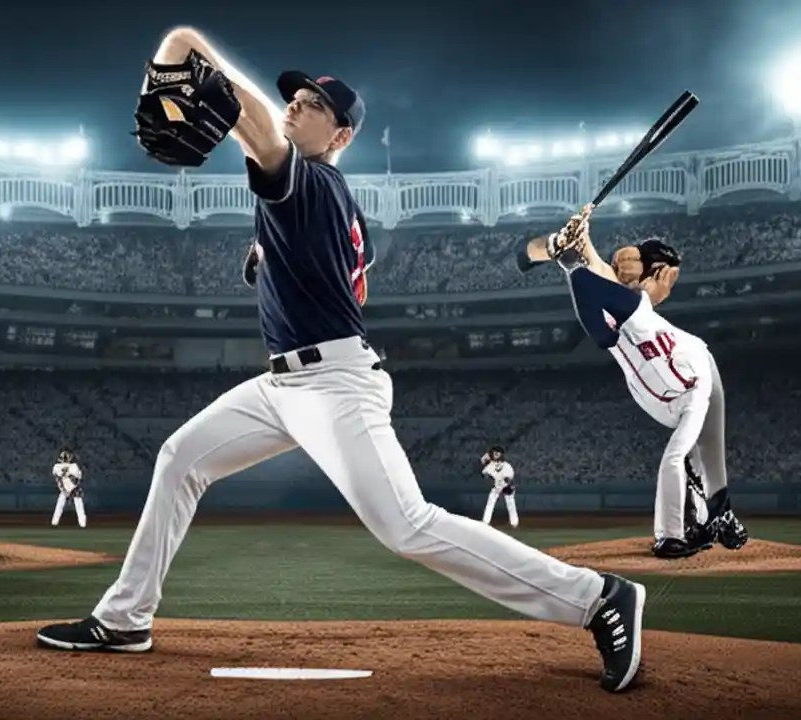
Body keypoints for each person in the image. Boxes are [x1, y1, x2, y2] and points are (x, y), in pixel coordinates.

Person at [36, 26, 647, 694]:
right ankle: (126, 618)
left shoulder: (309, 183)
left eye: (313, 104)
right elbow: (358, 274)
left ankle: (598, 597)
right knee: (180, 457)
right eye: (293, 97)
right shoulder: (330, 202)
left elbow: (255, 126)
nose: (295, 106)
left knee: (407, 526)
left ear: (341, 136)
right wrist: (273, 261)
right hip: (282, 384)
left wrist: (187, 49)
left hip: (333, 385)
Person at [546, 205, 748, 558]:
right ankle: (713, 518)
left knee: (685, 456)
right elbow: (595, 291)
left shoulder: (635, 306)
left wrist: (573, 259)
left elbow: (593, 285)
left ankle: (681, 531)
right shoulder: (627, 315)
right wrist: (577, 252)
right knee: (694, 460)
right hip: (665, 391)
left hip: (695, 381)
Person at [480, 445, 519, 527]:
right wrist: (484, 461)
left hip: (505, 485)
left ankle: (514, 522)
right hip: (496, 485)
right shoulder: (490, 465)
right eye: (494, 453)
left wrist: (509, 484)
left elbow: (509, 479)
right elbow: (484, 474)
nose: (495, 455)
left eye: (497, 453)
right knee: (491, 502)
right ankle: (485, 522)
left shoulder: (506, 466)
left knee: (510, 502)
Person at [51, 447, 86, 528]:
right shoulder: (74, 466)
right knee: (79, 506)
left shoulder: (56, 467)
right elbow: (78, 478)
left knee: (59, 505)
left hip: (64, 487)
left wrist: (64, 490)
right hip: (72, 487)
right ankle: (82, 524)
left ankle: (54, 523)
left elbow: (58, 479)